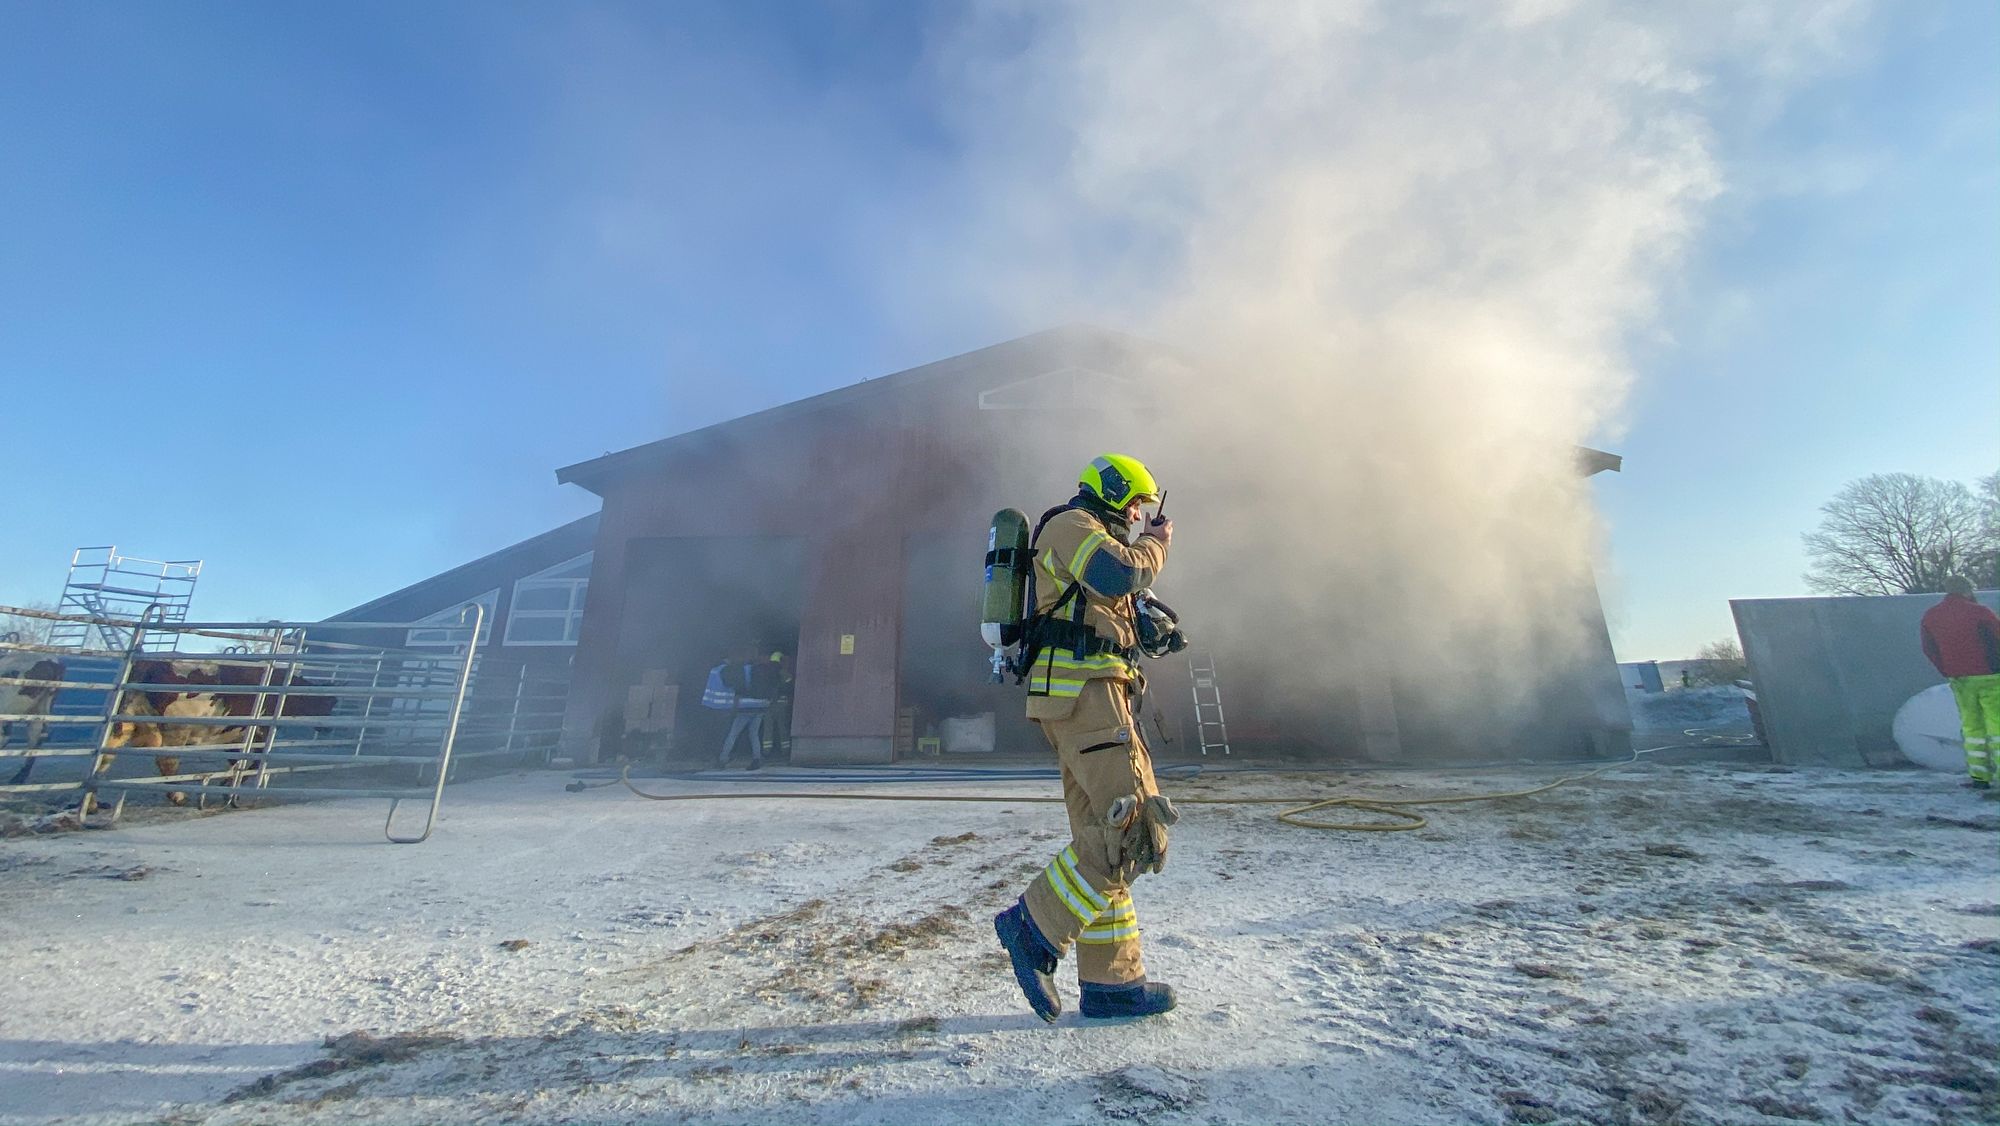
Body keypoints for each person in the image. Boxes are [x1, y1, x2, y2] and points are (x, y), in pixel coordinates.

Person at [993, 453, 1180, 1022]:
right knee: (1136, 828)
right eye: (1135, 504)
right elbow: (1117, 573)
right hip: (1086, 695)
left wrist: (1150, 627)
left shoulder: (1091, 535)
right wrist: (1159, 544)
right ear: (1115, 492)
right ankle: (1032, 929)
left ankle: (1112, 986)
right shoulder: (1072, 526)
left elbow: (1108, 598)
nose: (1138, 515)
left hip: (1092, 694)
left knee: (1103, 834)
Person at [1920, 575, 2000, 787]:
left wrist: (1947, 670)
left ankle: (1979, 777)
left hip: (1960, 679)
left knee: (1971, 726)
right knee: (1997, 725)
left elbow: (1929, 649)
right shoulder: (1981, 612)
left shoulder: (1931, 616)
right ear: (1967, 590)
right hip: (1992, 676)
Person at [716, 647, 771, 771]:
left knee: (733, 734)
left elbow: (738, 692)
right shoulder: (760, 672)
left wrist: (733, 710)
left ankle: (723, 759)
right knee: (754, 734)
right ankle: (757, 759)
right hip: (759, 708)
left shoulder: (742, 673)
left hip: (745, 709)